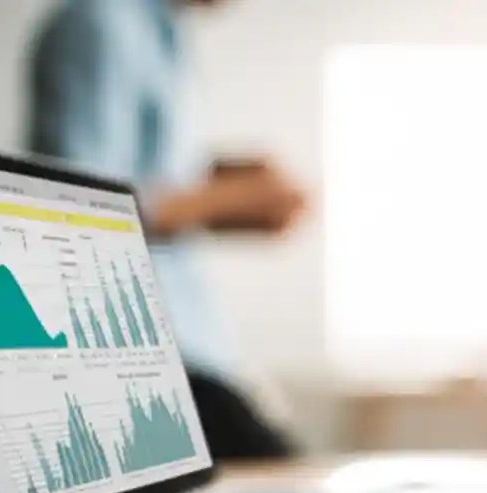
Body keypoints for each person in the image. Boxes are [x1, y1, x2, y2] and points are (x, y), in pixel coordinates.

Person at [26, 0, 303, 458]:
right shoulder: (100, 24)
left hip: (191, 346)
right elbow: (74, 207)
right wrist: (234, 197)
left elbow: (145, 178)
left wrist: (224, 183)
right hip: (139, 354)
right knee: (284, 490)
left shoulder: (166, 34)